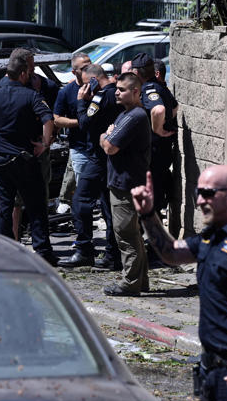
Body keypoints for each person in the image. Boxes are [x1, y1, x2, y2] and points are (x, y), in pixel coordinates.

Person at [132, 166, 227, 401]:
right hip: (213, 370)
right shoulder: (212, 239)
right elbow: (171, 253)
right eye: (198, 193)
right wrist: (147, 214)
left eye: (208, 193)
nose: (200, 201)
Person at [0, 55, 57, 266]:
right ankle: (43, 252)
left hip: (1, 160)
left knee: (3, 208)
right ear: (23, 74)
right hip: (25, 159)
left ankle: (4, 252)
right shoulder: (31, 96)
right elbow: (48, 119)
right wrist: (44, 143)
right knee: (36, 208)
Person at [59, 63, 121, 269]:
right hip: (110, 159)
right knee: (107, 208)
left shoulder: (100, 97)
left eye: (86, 85)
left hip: (98, 158)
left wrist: (80, 102)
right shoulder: (115, 94)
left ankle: (84, 249)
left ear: (93, 80)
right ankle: (113, 254)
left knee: (80, 202)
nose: (84, 89)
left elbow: (85, 124)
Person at [99, 72, 151, 295]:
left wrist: (104, 136)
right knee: (133, 234)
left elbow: (110, 147)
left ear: (136, 91)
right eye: (116, 89)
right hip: (124, 182)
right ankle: (141, 280)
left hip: (126, 185)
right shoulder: (126, 114)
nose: (116, 93)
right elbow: (108, 140)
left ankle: (130, 283)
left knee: (126, 234)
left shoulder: (134, 116)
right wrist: (106, 136)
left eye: (122, 90)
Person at [6, 48, 58, 241]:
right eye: (30, 67)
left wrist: (47, 142)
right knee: (14, 201)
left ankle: (40, 241)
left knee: (39, 197)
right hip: (16, 150)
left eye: (33, 67)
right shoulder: (7, 85)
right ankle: (14, 239)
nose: (32, 71)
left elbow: (53, 117)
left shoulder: (47, 86)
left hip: (38, 150)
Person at [131, 53, 178, 216]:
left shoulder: (149, 89)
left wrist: (157, 129)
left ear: (137, 73)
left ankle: (152, 238)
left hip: (154, 151)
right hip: (161, 151)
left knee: (152, 193)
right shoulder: (159, 86)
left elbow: (159, 110)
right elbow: (174, 107)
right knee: (156, 191)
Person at [53, 52, 91, 214]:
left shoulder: (100, 86)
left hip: (102, 147)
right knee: (83, 191)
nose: (90, 70)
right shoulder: (66, 92)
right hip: (80, 148)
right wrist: (80, 122)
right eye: (85, 68)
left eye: (91, 65)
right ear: (74, 72)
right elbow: (57, 119)